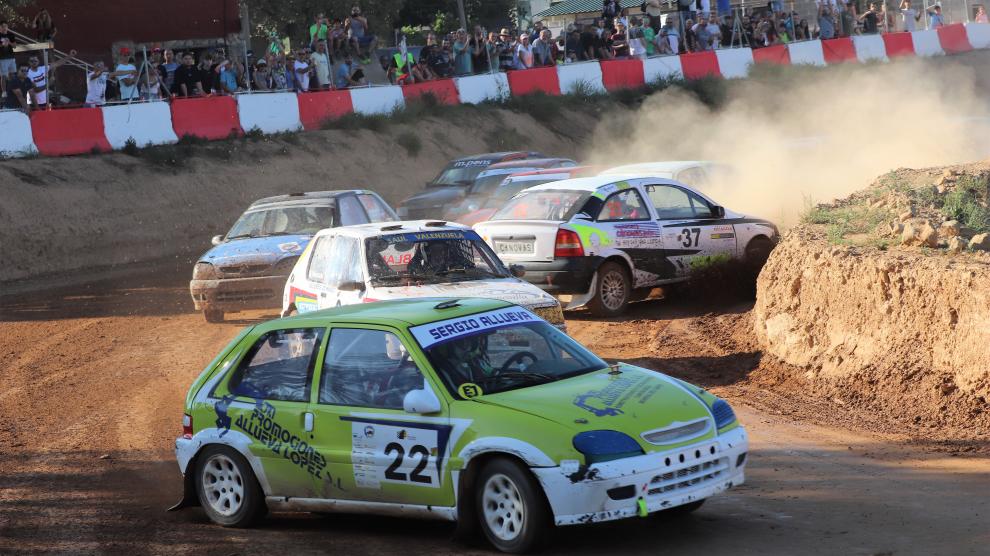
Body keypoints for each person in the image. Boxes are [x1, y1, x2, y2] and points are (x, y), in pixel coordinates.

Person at [0, 20, 16, 94]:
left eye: (5, 26)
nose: (4, 28)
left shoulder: (11, 35)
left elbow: (15, 46)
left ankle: (12, 90)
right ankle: (4, 92)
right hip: (2, 58)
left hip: (11, 57)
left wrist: (9, 42)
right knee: (3, 75)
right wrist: (2, 44)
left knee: (12, 74)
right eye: (2, 26)